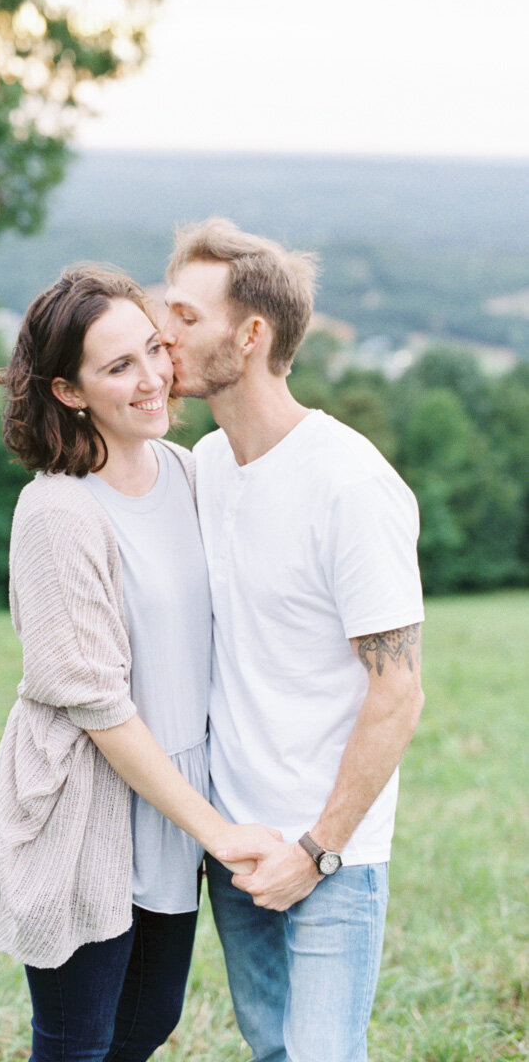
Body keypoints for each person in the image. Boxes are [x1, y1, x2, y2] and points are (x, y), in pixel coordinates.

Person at [0, 265, 271, 1062]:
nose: (151, 378)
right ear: (68, 392)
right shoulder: (58, 510)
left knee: (146, 1023)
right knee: (76, 1044)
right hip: (90, 805)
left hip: (174, 799)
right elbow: (98, 706)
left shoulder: (186, 471)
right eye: (117, 366)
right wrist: (215, 830)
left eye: (152, 348)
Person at [161, 218, 425, 1062]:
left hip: (329, 855)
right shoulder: (203, 465)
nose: (163, 335)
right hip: (233, 844)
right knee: (271, 1049)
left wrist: (317, 852)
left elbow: (398, 691)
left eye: (185, 317)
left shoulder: (351, 484)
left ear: (250, 335)